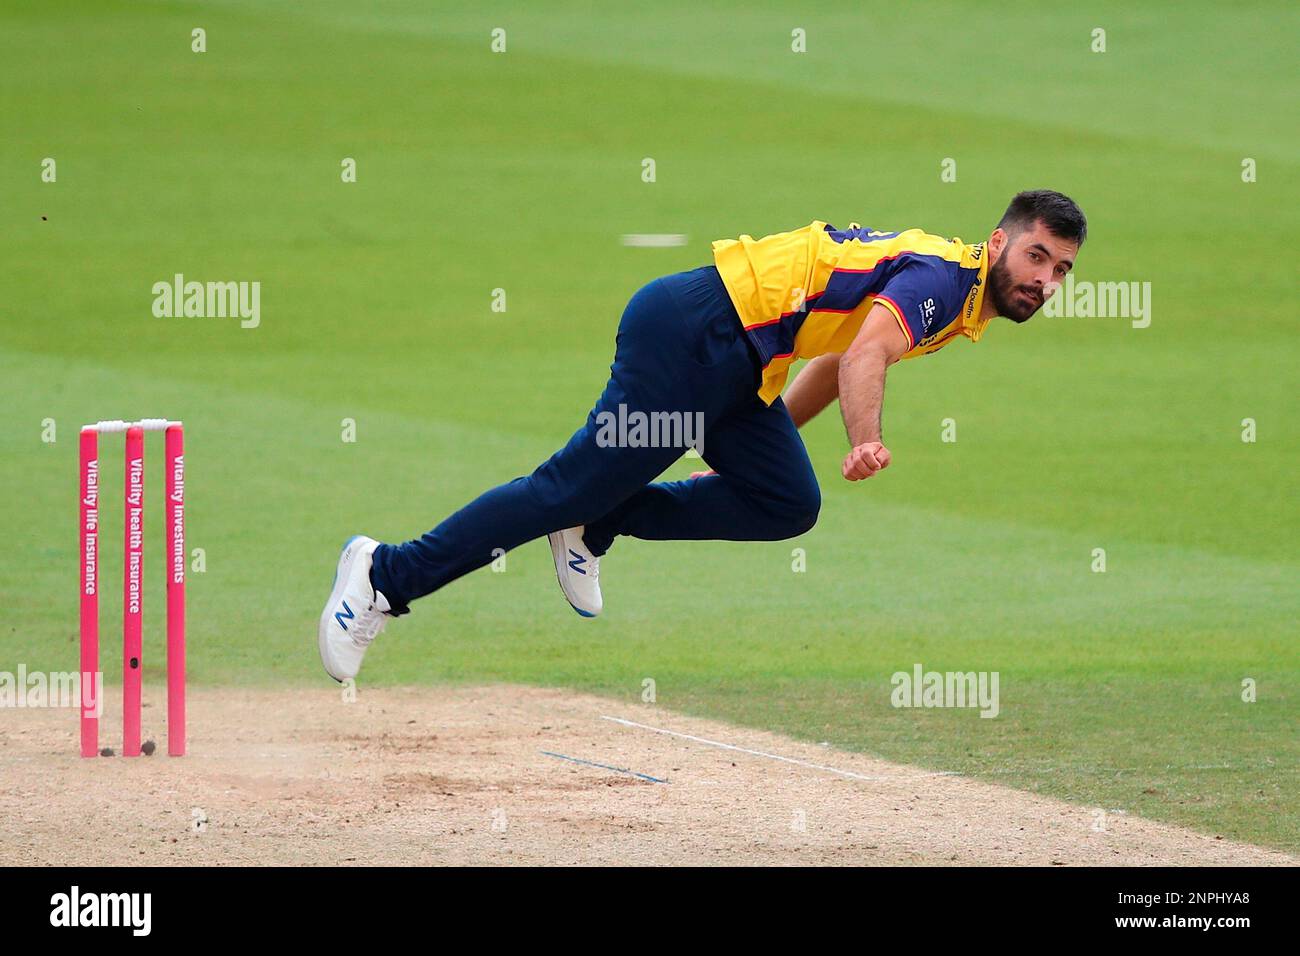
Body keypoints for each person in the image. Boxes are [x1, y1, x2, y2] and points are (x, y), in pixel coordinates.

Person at [317, 189, 1087, 681]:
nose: (1045, 280)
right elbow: (865, 352)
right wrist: (865, 437)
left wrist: (766, 442)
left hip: (739, 368)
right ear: (998, 242)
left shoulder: (959, 301)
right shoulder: (945, 281)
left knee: (786, 498)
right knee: (562, 490)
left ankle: (603, 516)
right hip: (693, 334)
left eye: (1060, 270)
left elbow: (830, 354)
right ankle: (383, 574)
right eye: (1036, 257)